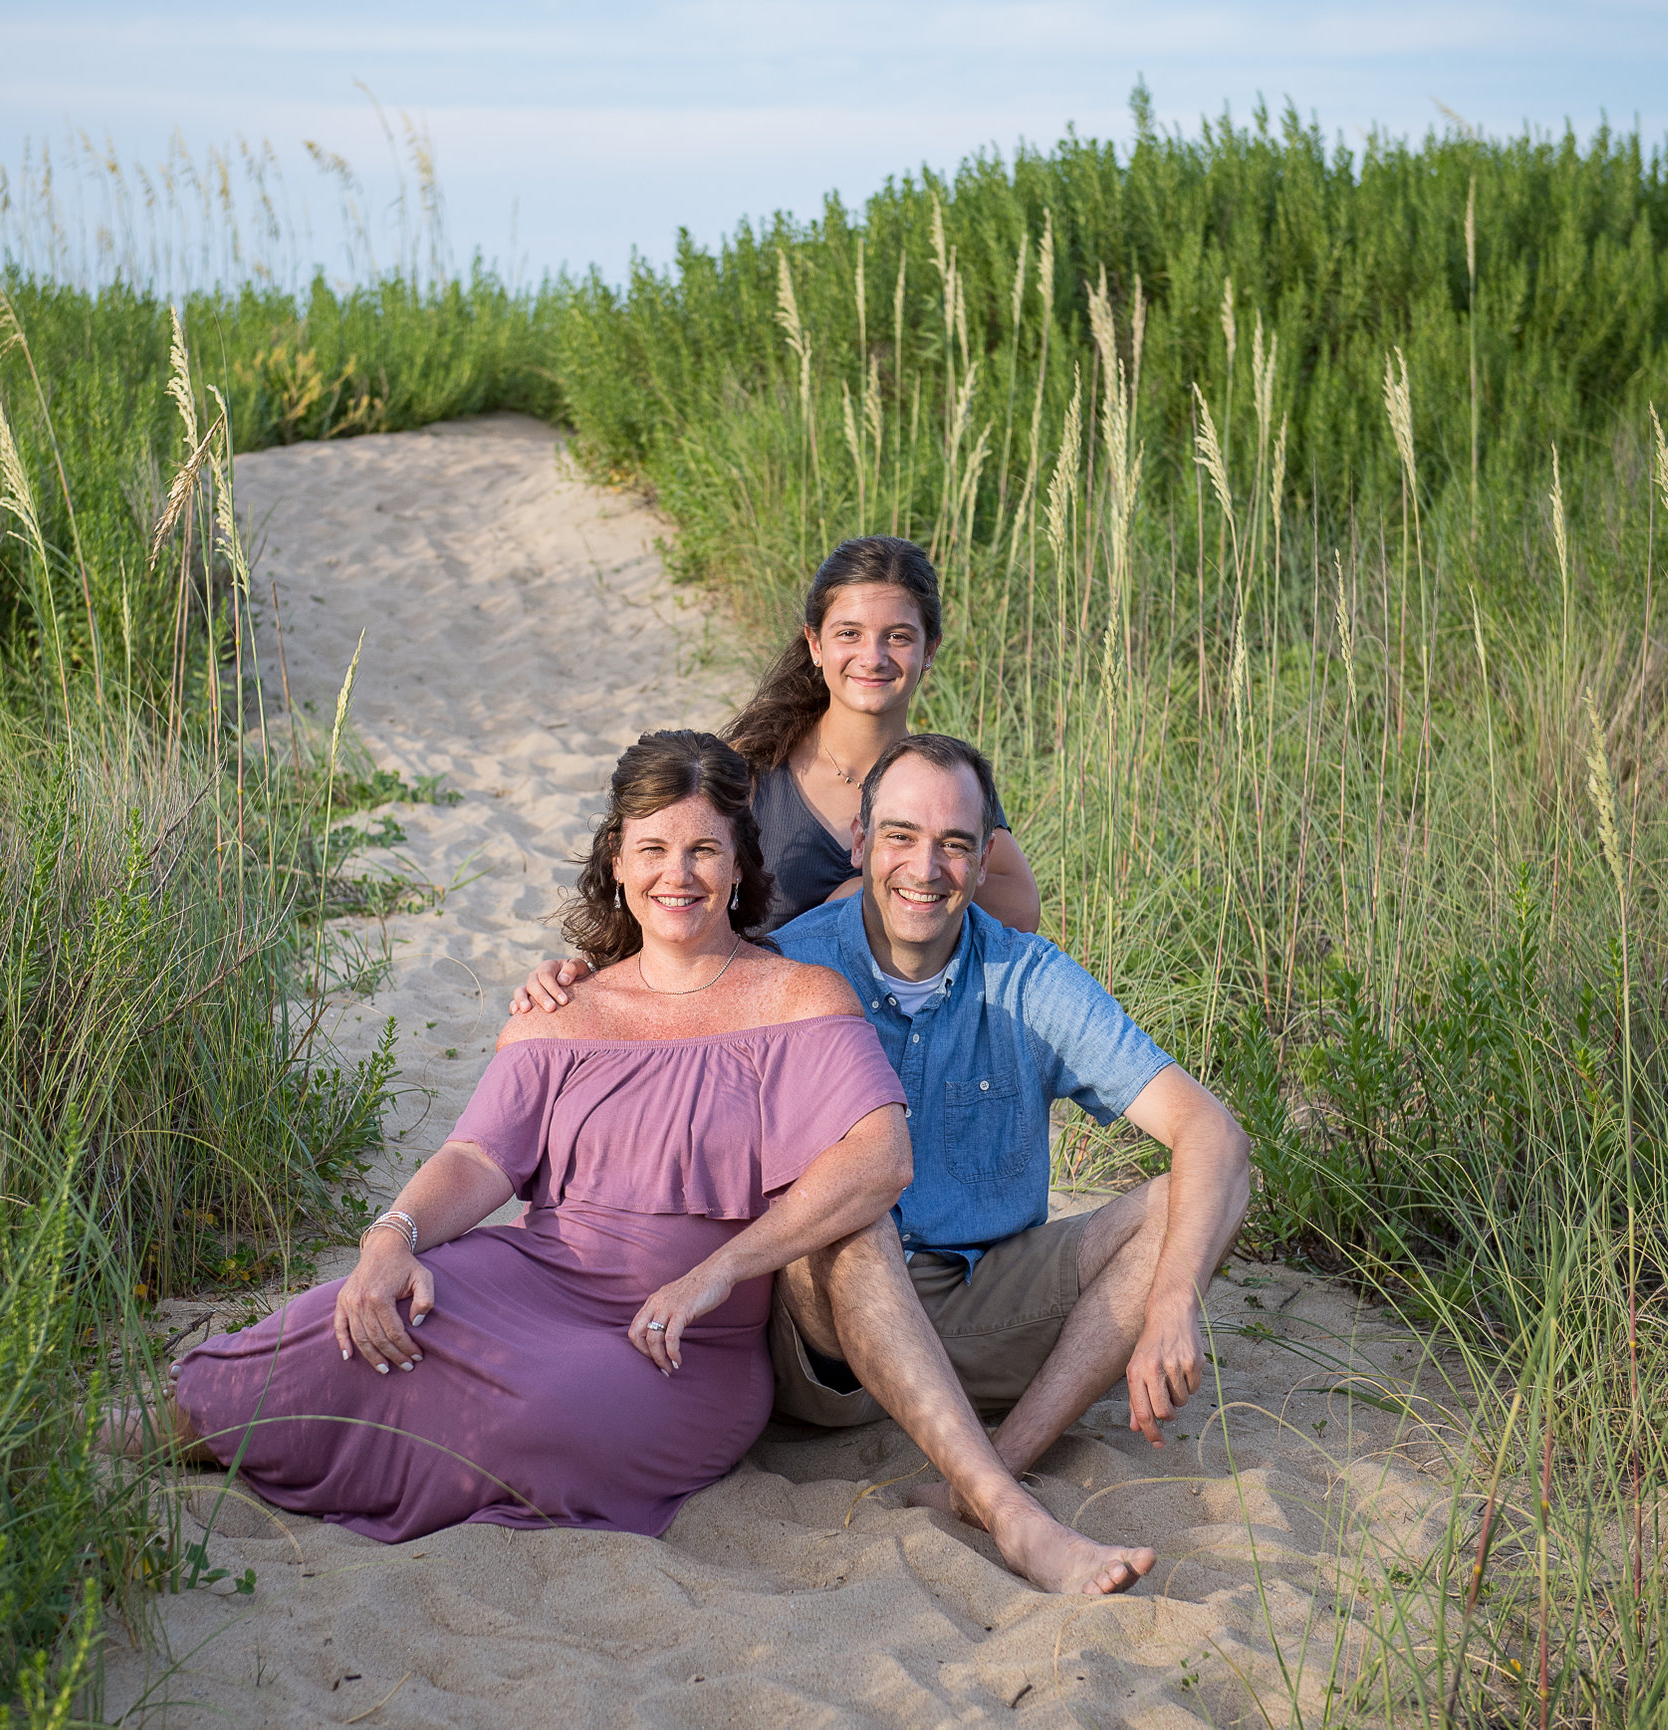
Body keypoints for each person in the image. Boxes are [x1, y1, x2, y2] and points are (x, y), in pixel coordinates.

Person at [121, 732, 919, 1549]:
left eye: (702, 850)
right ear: (615, 861)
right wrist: (389, 1238)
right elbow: (477, 1157)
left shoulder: (795, 999)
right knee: (346, 1318)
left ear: (741, 865)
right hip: (532, 1279)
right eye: (651, 848)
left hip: (682, 1339)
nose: (675, 876)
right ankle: (152, 1428)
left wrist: (719, 1270)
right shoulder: (565, 1009)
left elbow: (879, 1157)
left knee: (547, 1414)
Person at [514, 733, 1253, 1577]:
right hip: (818, 1335)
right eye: (900, 835)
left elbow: (1214, 1133)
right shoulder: (791, 965)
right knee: (851, 1201)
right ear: (862, 843)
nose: (925, 867)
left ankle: (987, 1476)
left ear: (982, 866)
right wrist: (569, 980)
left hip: (979, 1309)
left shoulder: (1026, 977)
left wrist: (1171, 1302)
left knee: (1195, 1198)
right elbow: (657, 990)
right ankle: (1015, 1518)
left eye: (954, 844)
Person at [512, 538, 1038, 1017]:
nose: (872, 657)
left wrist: (873, 892)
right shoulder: (752, 773)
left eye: (898, 637)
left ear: (930, 651)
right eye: (849, 634)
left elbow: (1020, 909)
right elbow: (659, 887)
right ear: (815, 644)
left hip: (903, 1034)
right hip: (754, 1029)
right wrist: (578, 975)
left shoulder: (938, 785)